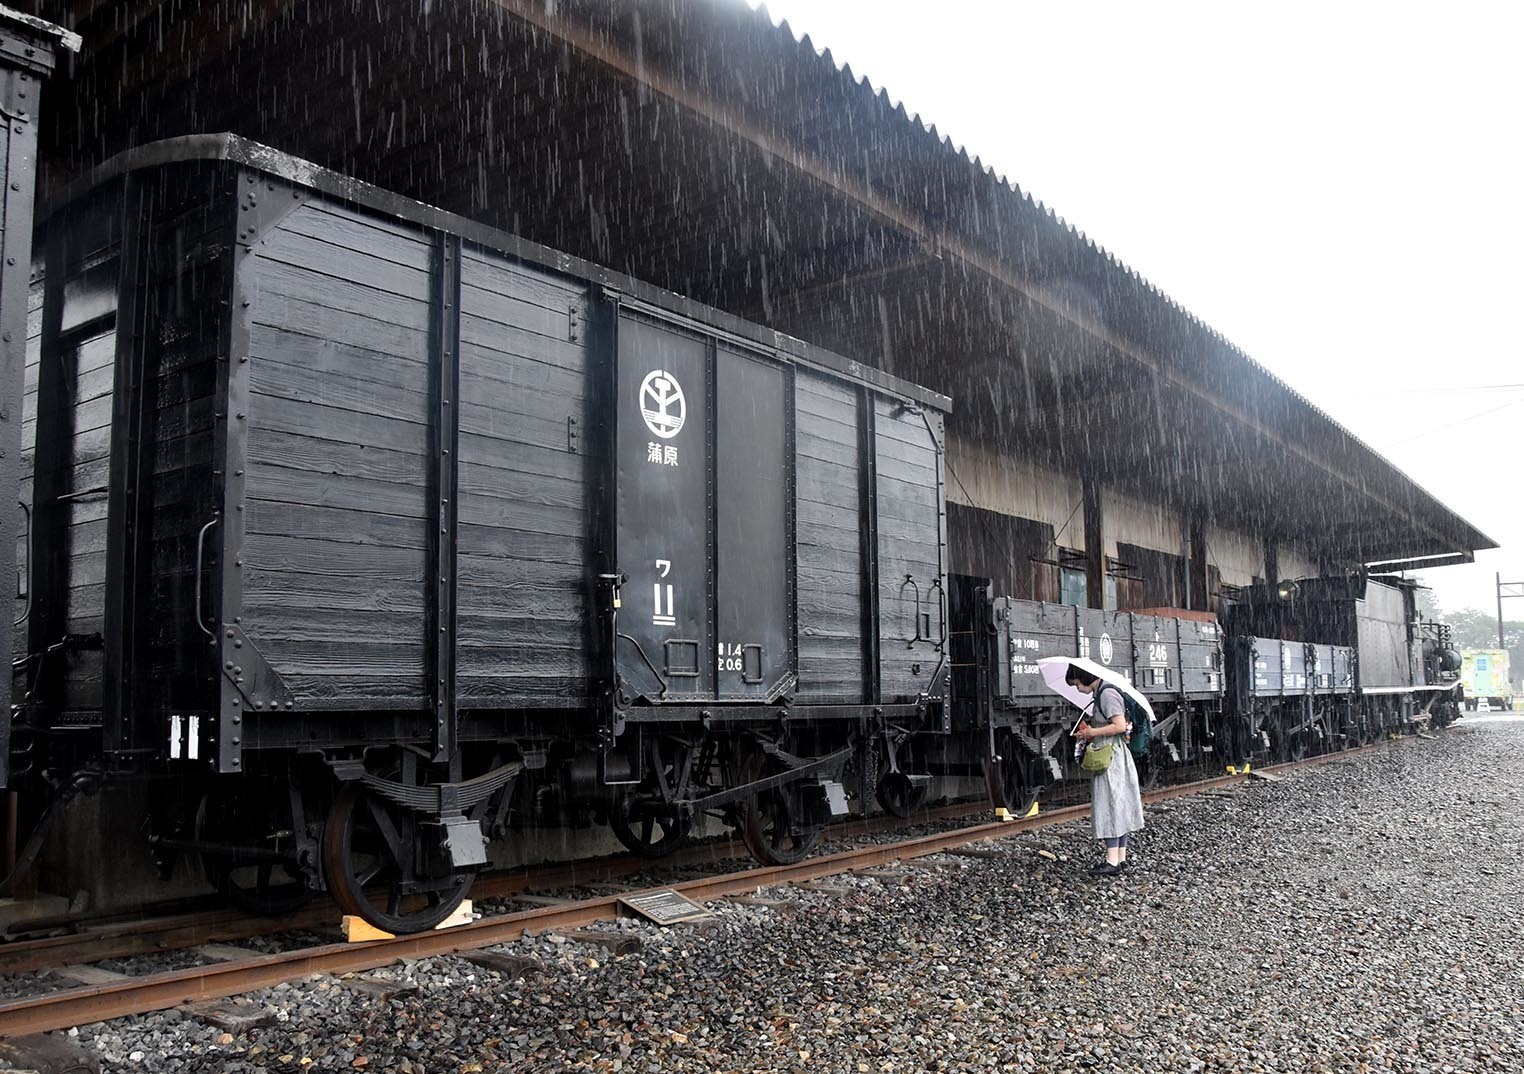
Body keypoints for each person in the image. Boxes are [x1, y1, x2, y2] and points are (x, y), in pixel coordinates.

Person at [1067, 664, 1145, 877]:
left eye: (1076, 684)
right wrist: (1089, 734)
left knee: (1110, 803)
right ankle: (1120, 859)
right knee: (1119, 803)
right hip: (1115, 753)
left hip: (1111, 756)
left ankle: (1111, 861)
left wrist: (1093, 731)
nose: (1077, 689)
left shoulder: (1107, 694)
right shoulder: (1104, 691)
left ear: (1083, 677)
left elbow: (1119, 725)